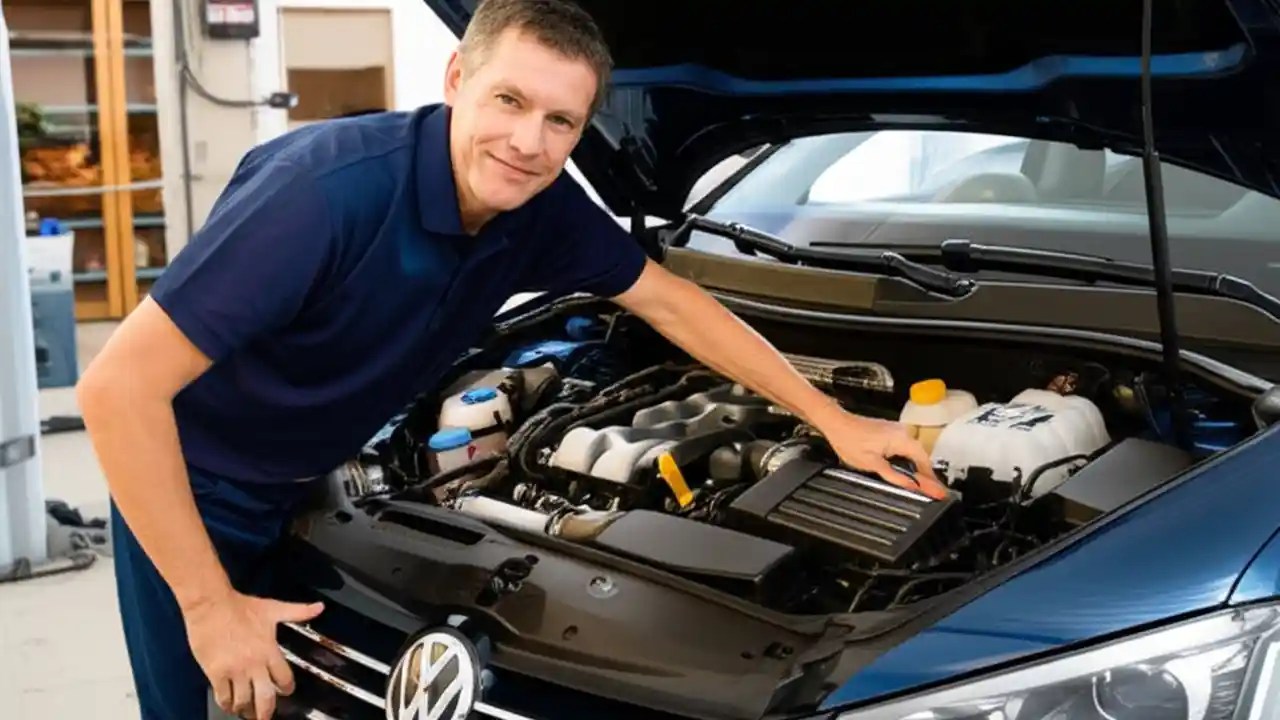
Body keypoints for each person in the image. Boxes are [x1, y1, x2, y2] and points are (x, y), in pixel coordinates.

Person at [76, 0, 947, 718]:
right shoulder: (322, 195)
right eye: (508, 102)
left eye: (560, 121)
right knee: (217, 700)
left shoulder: (539, 207)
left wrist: (833, 420)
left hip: (314, 474)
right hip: (197, 489)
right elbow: (115, 391)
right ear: (457, 79)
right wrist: (206, 604)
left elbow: (671, 302)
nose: (529, 142)